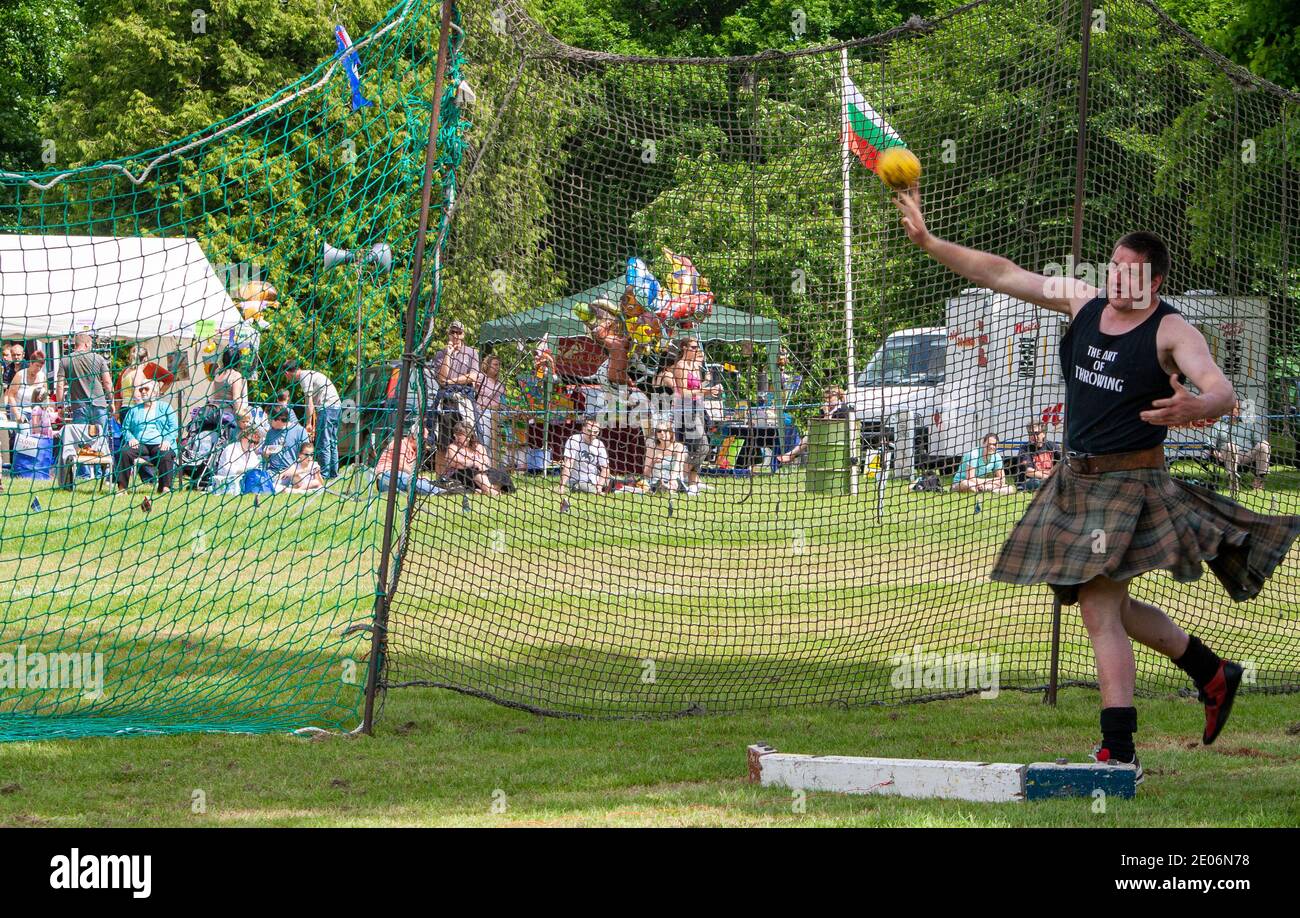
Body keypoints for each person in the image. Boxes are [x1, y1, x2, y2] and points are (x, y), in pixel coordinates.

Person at [895, 185, 1300, 775]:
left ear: (1155, 284)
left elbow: (1220, 387)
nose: (1117, 280)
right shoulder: (1082, 303)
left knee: (1099, 610)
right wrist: (929, 241)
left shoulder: (1172, 331)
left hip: (1130, 487)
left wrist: (1200, 407)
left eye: (1131, 274)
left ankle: (1119, 750)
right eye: (1113, 267)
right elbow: (1002, 274)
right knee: (1101, 600)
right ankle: (1212, 673)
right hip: (1075, 480)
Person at [55, 333, 114, 487]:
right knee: (101, 439)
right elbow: (107, 382)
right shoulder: (98, 358)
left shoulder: (65, 360)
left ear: (76, 344)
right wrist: (111, 400)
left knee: (80, 441)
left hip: (79, 406)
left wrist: (60, 406)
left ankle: (85, 474)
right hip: (99, 405)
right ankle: (105, 475)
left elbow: (60, 384)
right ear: (87, 344)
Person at [670, 337, 719, 489]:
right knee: (702, 447)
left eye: (697, 347)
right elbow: (684, 392)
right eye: (693, 347)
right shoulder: (680, 365)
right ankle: (679, 475)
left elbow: (696, 390)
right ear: (684, 348)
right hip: (685, 410)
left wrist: (710, 387)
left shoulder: (695, 366)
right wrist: (706, 390)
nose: (696, 350)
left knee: (696, 447)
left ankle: (693, 483)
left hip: (698, 408)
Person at [283, 360, 342, 480]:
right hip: (336, 407)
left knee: (324, 441)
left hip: (327, 407)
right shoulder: (309, 374)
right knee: (332, 441)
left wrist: (308, 423)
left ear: (286, 373)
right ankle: (333, 473)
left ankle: (324, 474)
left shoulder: (304, 377)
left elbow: (309, 403)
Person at [117, 381, 178, 493]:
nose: (143, 392)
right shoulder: (134, 410)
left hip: (159, 443)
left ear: (155, 392)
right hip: (140, 443)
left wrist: (167, 440)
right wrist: (131, 438)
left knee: (166, 454)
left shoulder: (165, 408)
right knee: (125, 452)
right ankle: (122, 488)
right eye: (141, 390)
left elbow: (174, 427)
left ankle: (165, 488)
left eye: (146, 389)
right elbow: (125, 428)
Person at [777, 385, 849, 465]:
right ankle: (792, 454)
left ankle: (792, 454)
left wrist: (827, 414)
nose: (827, 401)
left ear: (837, 397)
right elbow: (821, 426)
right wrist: (825, 413)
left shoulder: (843, 409)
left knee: (811, 434)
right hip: (824, 439)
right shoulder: (824, 408)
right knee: (811, 433)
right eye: (826, 398)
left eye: (830, 398)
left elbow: (828, 427)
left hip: (839, 439)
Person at [1211, 400, 1270, 490]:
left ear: (1238, 411)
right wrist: (1216, 454)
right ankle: (1233, 481)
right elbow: (1210, 444)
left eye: (1234, 409)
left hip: (1247, 456)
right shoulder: (1218, 425)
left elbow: (1259, 442)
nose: (1231, 412)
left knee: (1264, 445)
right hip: (1227, 455)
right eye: (1228, 409)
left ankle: (1259, 480)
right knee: (1231, 446)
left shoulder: (1248, 425)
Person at [375, 428, 442, 496]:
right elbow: (401, 464)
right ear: (414, 437)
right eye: (424, 440)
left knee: (420, 481)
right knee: (412, 481)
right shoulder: (400, 443)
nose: (425, 443)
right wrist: (418, 477)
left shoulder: (415, 451)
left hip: (400, 479)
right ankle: (438, 491)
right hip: (385, 477)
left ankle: (438, 488)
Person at [441, 420, 499, 495]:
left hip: (480, 476)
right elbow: (457, 463)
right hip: (459, 477)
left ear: (468, 435)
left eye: (460, 435)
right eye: (456, 435)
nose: (456, 437)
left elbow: (486, 461)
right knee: (472, 469)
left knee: (499, 470)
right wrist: (474, 463)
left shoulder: (478, 447)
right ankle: (489, 490)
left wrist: (480, 464)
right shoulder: (452, 447)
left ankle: (483, 490)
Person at [117, 344, 173, 412]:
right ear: (145, 358)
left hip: (125, 407)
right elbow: (136, 396)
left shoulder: (126, 371)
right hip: (136, 408)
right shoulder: (137, 372)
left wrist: (159, 394)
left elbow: (121, 393)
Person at [561, 418, 609, 494]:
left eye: (595, 432)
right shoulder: (574, 440)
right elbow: (568, 464)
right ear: (583, 429)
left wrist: (599, 486)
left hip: (594, 478)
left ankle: (602, 489)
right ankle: (598, 491)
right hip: (578, 481)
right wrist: (562, 486)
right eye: (589, 431)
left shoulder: (599, 444)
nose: (592, 434)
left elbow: (605, 468)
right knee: (589, 490)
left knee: (614, 481)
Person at [212, 425, 263, 494]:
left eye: (256, 443)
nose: (252, 445)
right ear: (242, 438)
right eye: (251, 441)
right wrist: (244, 471)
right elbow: (228, 470)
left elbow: (255, 468)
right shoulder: (231, 449)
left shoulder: (252, 453)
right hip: (227, 483)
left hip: (245, 481)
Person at [475, 353, 505, 463]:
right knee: (485, 441)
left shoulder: (500, 381)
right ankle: (483, 465)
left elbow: (501, 400)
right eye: (495, 364)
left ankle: (493, 466)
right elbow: (476, 397)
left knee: (495, 444)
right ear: (488, 365)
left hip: (497, 415)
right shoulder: (481, 378)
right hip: (484, 414)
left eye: (499, 365)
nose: (497, 367)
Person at [643, 420, 688, 493]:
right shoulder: (651, 448)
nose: (662, 433)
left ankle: (667, 488)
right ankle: (662, 487)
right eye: (659, 431)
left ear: (671, 433)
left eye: (665, 431)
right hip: (657, 479)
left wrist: (672, 479)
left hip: (674, 479)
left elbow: (677, 466)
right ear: (656, 434)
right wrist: (653, 463)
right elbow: (646, 473)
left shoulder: (678, 447)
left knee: (674, 482)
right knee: (657, 482)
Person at [261, 405, 307, 476]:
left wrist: (289, 471)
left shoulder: (300, 431)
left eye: (270, 419)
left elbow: (306, 456)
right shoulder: (270, 432)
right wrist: (265, 454)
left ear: (279, 419)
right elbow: (265, 457)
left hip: (293, 472)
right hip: (273, 472)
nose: (268, 422)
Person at [5, 349, 48, 423]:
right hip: (20, 410)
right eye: (37, 365)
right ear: (31, 363)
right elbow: (11, 395)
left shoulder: (42, 376)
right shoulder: (20, 375)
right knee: (23, 432)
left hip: (36, 412)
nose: (38, 369)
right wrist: (17, 414)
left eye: (40, 367)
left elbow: (46, 395)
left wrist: (47, 407)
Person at [1016, 422, 1060, 491]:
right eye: (1030, 433)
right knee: (1036, 482)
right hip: (1030, 480)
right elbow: (1029, 472)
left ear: (1044, 434)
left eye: (1036, 433)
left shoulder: (1052, 447)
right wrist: (1049, 477)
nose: (1033, 436)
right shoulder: (1024, 449)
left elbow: (1063, 463)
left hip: (1047, 479)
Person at [211, 348, 249, 421]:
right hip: (228, 417)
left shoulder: (218, 374)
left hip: (216, 414)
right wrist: (242, 416)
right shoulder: (236, 375)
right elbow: (236, 399)